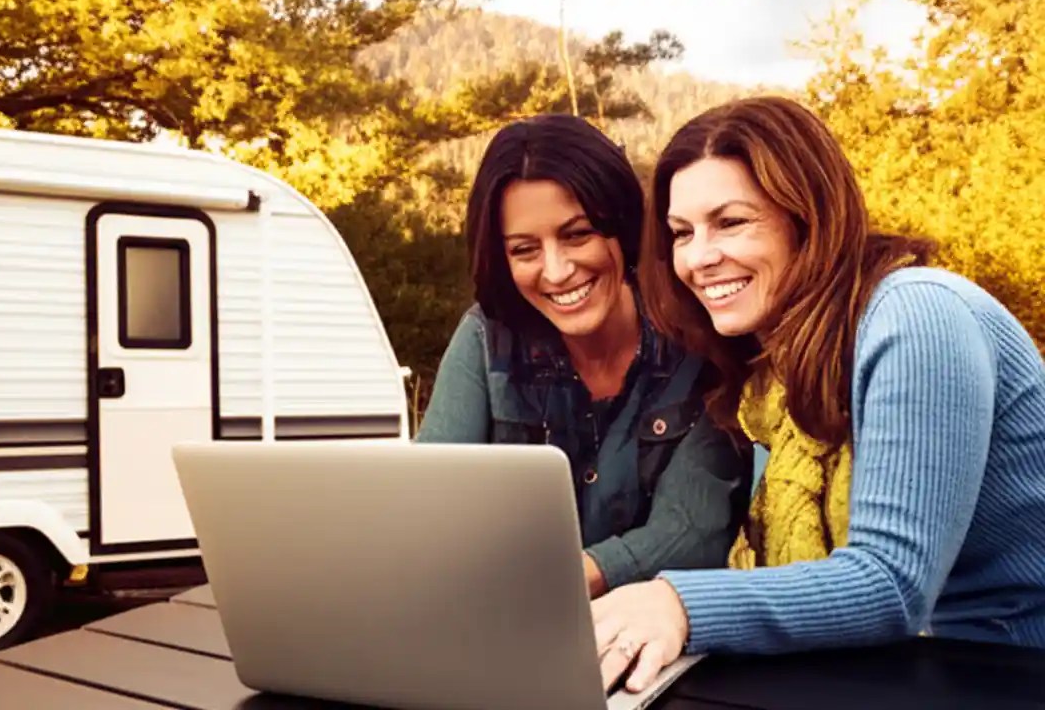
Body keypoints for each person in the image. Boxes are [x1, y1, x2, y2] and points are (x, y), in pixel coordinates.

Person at [592, 95, 1045, 693]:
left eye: (731, 222)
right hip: (907, 669)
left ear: (808, 218)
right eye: (682, 233)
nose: (699, 257)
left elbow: (892, 582)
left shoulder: (916, 314)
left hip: (1006, 665)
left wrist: (678, 604)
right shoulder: (769, 375)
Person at [416, 114, 752, 600]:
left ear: (623, 227)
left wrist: (551, 580)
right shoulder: (486, 339)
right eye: (524, 249)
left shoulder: (697, 339)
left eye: (577, 235)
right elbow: (429, 506)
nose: (556, 271)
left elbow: (693, 531)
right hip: (500, 628)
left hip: (656, 644)